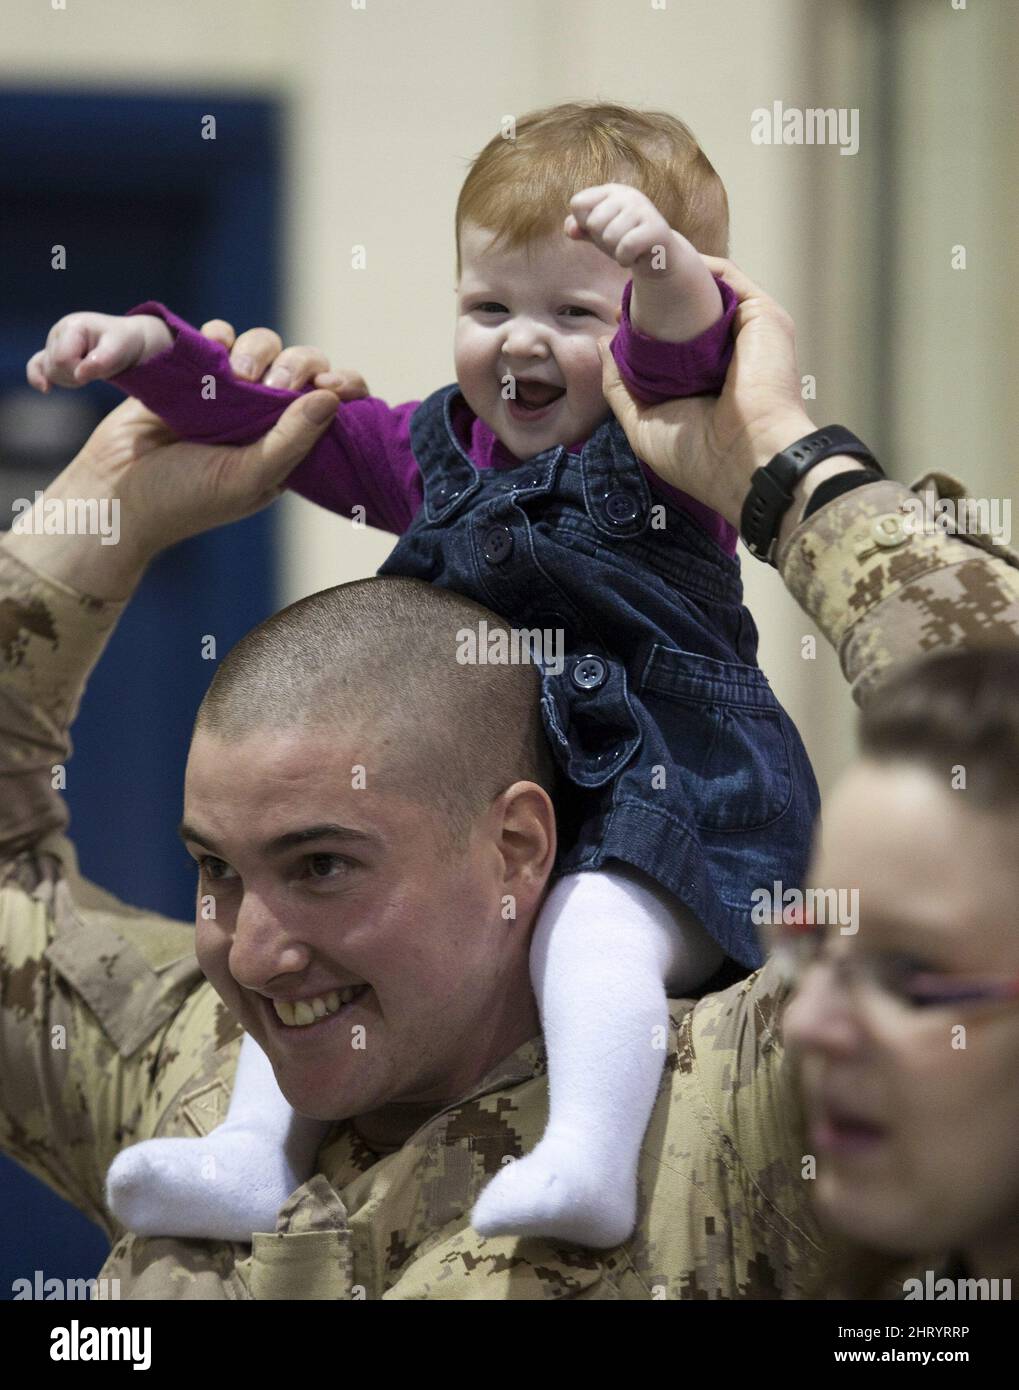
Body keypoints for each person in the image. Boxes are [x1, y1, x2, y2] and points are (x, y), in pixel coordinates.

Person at [3, 258, 1017, 1299]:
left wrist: (793, 477)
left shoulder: (734, 1109)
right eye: (215, 871)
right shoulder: (190, 1070)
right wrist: (103, 508)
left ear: (517, 847)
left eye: (320, 866)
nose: (253, 953)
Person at [24, 100, 823, 1249]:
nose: (521, 340)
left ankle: (589, 1151)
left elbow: (687, 349)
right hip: (490, 796)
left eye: (574, 311)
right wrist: (153, 357)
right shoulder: (434, 451)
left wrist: (663, 266)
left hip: (671, 798)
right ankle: (249, 1150)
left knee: (590, 927)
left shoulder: (664, 451)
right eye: (487, 305)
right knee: (286, 969)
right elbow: (286, 423)